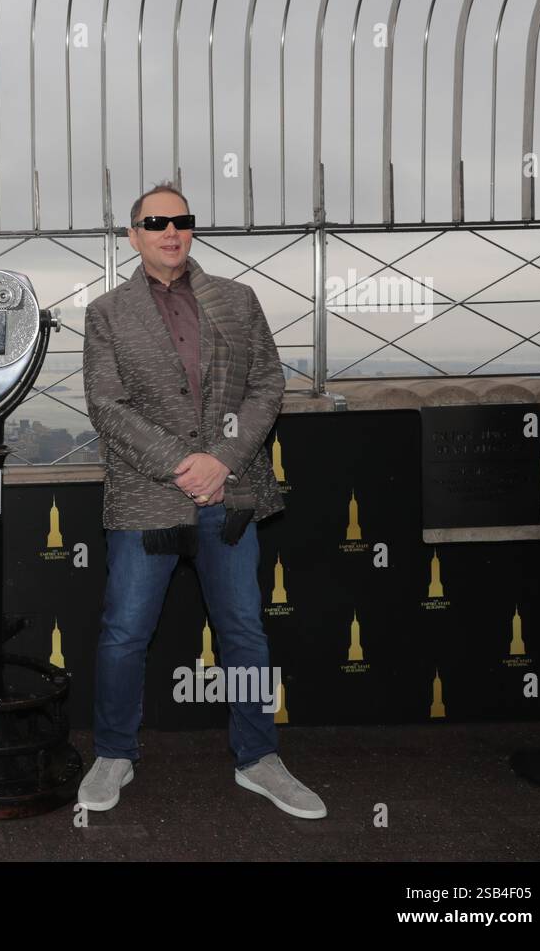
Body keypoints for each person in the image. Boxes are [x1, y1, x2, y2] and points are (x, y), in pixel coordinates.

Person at [78, 181, 326, 819]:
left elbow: (268, 383)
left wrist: (222, 460)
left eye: (181, 220)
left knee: (244, 632)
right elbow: (107, 404)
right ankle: (112, 753)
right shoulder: (106, 312)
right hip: (146, 498)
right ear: (132, 235)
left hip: (231, 492)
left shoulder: (237, 299)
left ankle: (258, 757)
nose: (170, 230)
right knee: (124, 633)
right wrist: (179, 465)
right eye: (154, 221)